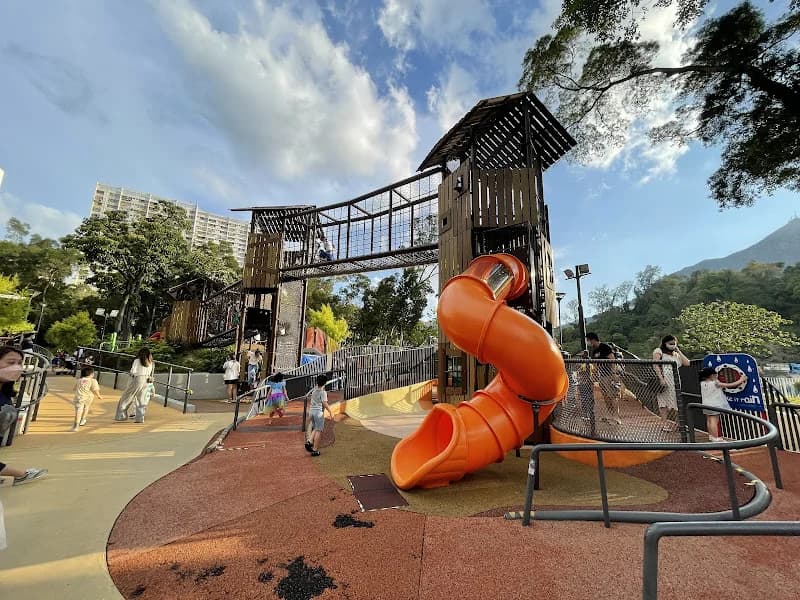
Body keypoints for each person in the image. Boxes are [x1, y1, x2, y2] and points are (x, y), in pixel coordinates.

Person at [0, 346, 47, 485]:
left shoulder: (5, 392)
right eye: (10, 362)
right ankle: (22, 475)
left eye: (19, 363)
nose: (16, 367)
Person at [652, 335, 690, 432]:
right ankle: (664, 424)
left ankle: (679, 423)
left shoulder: (675, 354)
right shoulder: (659, 351)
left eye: (674, 343)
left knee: (677, 402)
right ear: (665, 343)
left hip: (675, 381)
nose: (672, 345)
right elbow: (655, 364)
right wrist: (661, 378)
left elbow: (687, 363)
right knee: (663, 403)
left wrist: (678, 351)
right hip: (664, 379)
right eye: (670, 344)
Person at [699, 367, 746, 442]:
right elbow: (729, 385)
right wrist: (741, 380)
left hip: (705, 404)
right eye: (715, 374)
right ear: (711, 375)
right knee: (714, 420)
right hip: (714, 405)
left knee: (709, 420)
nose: (717, 375)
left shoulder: (702, 383)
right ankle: (715, 438)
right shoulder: (715, 383)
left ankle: (711, 436)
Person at [585, 332, 622, 425]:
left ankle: (616, 417)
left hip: (610, 375)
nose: (588, 342)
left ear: (592, 339)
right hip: (602, 376)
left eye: (588, 340)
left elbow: (612, 359)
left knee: (613, 396)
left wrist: (614, 373)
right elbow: (595, 365)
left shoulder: (605, 347)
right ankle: (610, 414)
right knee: (606, 397)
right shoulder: (594, 351)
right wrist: (593, 376)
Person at [114, 348, 155, 422]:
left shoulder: (137, 361)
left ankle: (121, 415)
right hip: (147, 380)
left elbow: (133, 371)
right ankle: (140, 418)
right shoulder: (151, 362)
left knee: (126, 397)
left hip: (138, 379)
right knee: (141, 399)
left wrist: (132, 375)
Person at [304, 374, 333, 457]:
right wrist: (330, 412)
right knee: (319, 430)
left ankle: (309, 441)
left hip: (312, 412)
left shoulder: (314, 391)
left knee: (316, 427)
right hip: (318, 413)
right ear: (325, 383)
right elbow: (324, 403)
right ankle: (315, 450)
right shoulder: (323, 392)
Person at [72, 366, 102, 431]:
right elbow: (95, 390)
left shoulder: (79, 380)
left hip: (78, 397)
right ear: (91, 374)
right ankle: (83, 419)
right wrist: (98, 396)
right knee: (86, 407)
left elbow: (74, 388)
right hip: (88, 397)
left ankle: (76, 426)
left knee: (78, 411)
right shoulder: (93, 380)